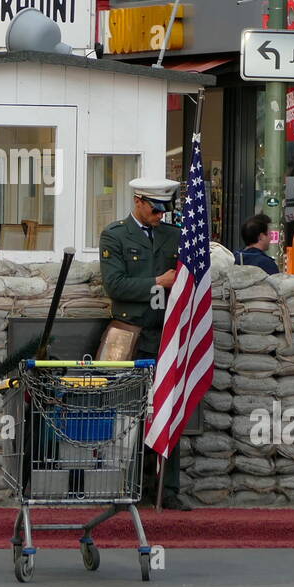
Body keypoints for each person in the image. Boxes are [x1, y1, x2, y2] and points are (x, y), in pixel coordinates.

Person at [99, 177, 189, 510]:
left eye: (165, 209)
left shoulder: (173, 236)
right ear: (138, 201)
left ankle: (167, 489)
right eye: (155, 208)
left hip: (166, 334)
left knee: (168, 410)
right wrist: (157, 281)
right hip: (133, 335)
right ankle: (131, 485)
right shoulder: (116, 235)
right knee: (131, 414)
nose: (160, 215)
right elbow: (116, 284)